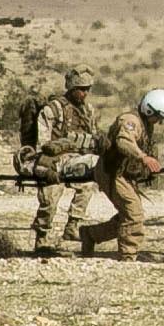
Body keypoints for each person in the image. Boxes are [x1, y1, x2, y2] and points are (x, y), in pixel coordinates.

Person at [80, 87, 164, 261]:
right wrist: (143, 157)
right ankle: (128, 256)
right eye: (158, 117)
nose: (158, 122)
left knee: (128, 214)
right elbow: (123, 142)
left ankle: (91, 235)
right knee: (133, 214)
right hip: (113, 172)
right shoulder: (130, 121)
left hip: (123, 174)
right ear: (148, 110)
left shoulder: (145, 125)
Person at [25, 70, 104, 258]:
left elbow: (93, 136)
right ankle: (42, 238)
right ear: (72, 88)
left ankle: (72, 226)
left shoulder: (88, 111)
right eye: (81, 89)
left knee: (87, 186)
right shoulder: (52, 110)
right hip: (54, 160)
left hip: (77, 159)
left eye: (87, 89)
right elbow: (42, 143)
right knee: (50, 197)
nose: (85, 93)